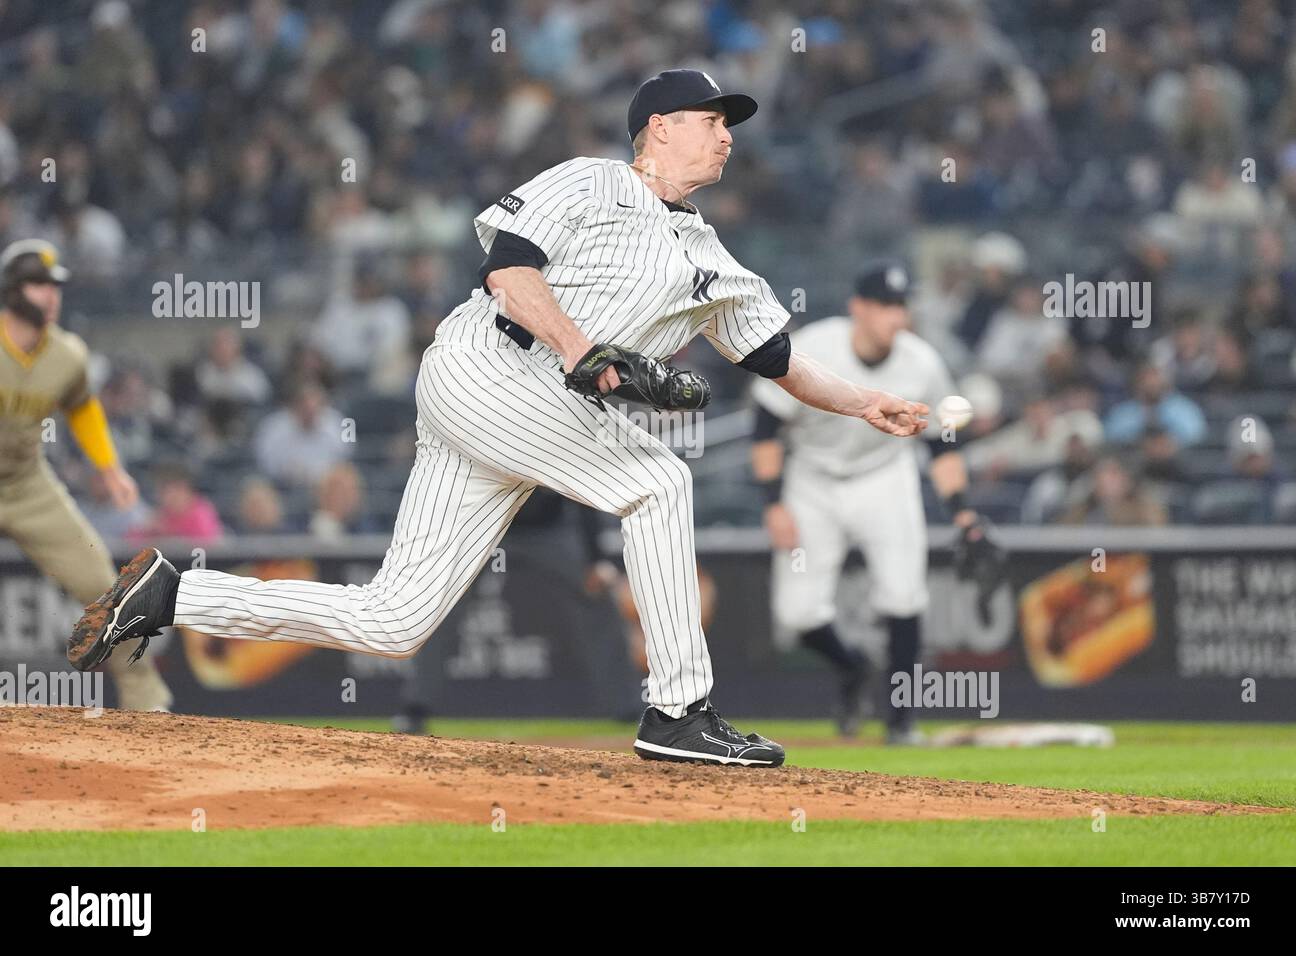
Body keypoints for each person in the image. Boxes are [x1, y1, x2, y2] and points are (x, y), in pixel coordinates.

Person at [68, 70, 927, 767]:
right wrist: (584, 351)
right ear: (658, 127)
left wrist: (865, 400)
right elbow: (509, 275)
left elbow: (782, 362)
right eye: (711, 118)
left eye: (729, 122)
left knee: (395, 620)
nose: (727, 133)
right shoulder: (593, 181)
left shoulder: (715, 257)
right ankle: (677, 712)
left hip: (529, 407)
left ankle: (173, 592)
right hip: (488, 366)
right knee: (660, 481)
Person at [751, 262, 977, 745]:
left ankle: (900, 721)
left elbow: (941, 444)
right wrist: (773, 504)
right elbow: (765, 425)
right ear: (858, 308)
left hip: (885, 477)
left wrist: (962, 512)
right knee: (797, 615)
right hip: (811, 480)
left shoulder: (922, 362)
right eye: (884, 305)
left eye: (901, 305)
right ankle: (851, 668)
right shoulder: (816, 346)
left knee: (903, 595)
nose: (896, 316)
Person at [0, 239, 169, 710]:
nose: (51, 295)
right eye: (38, 285)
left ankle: (146, 701)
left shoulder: (67, 355)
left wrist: (110, 469)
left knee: (104, 589)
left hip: (28, 485)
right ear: (12, 289)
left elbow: (83, 408)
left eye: (55, 286)